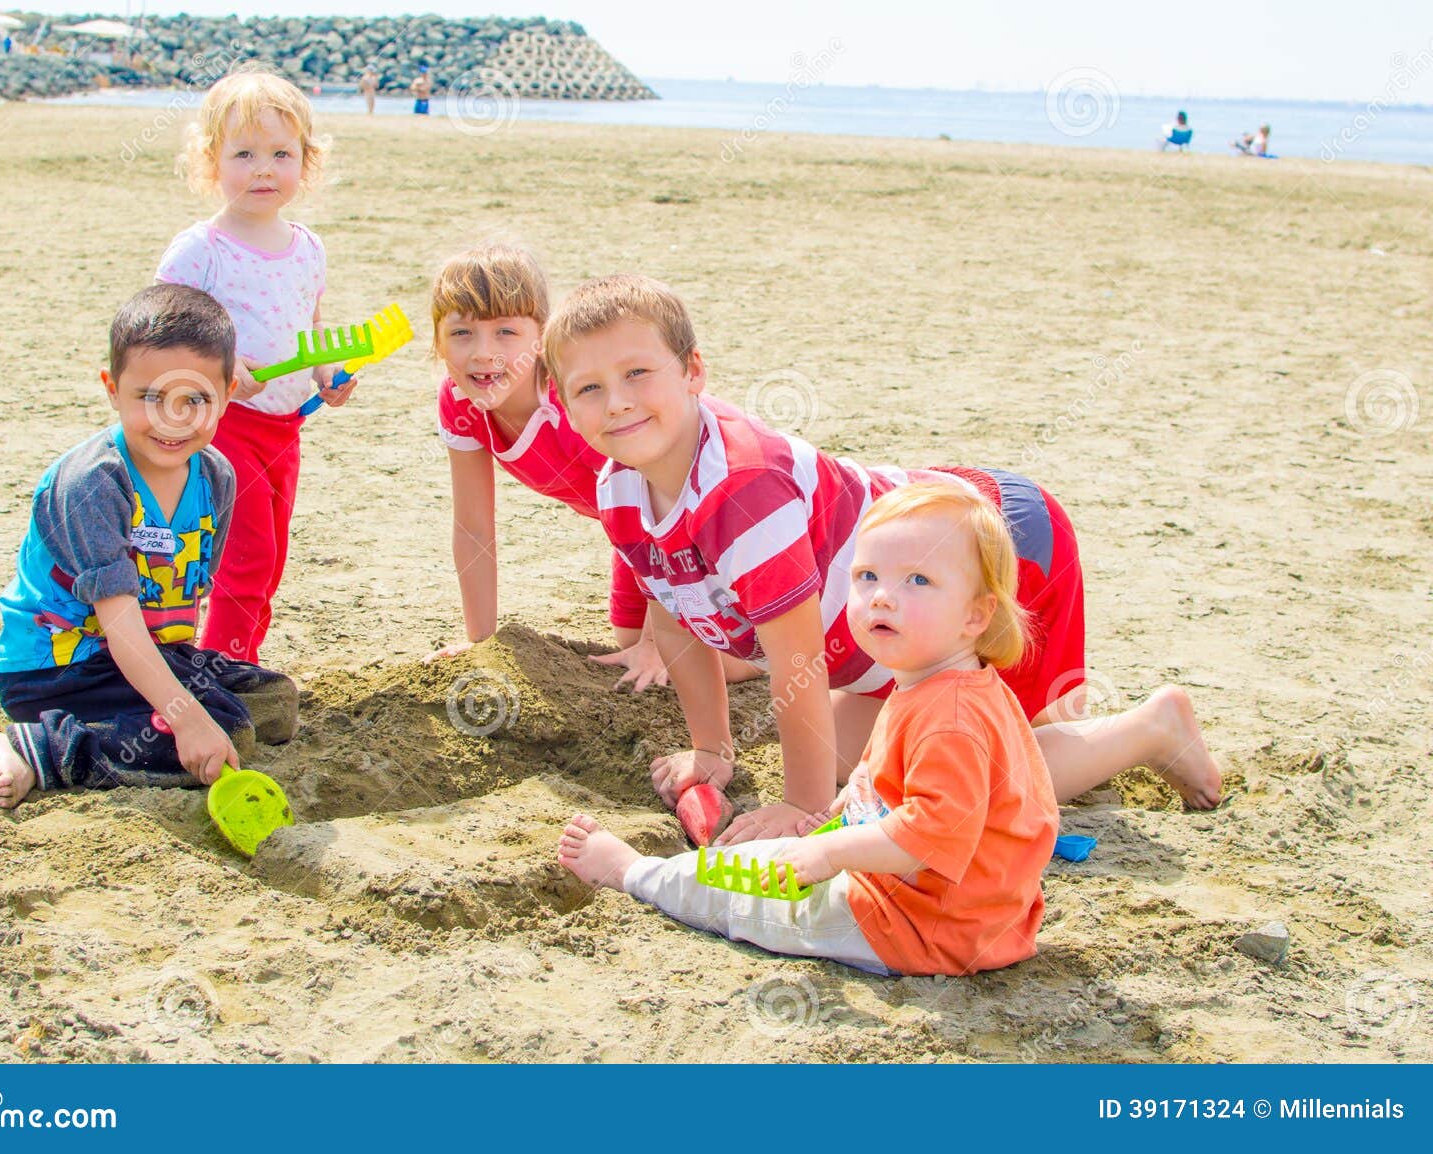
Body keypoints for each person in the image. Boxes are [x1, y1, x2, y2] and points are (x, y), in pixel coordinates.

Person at [542, 274, 1222, 845]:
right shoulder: (618, 488)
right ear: (564, 404)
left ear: (693, 372)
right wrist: (712, 752)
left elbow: (796, 658)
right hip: (893, 615)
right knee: (861, 765)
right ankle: (1054, 727)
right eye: (590, 388)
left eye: (637, 373)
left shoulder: (745, 493)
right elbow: (674, 619)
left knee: (968, 785)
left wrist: (802, 811)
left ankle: (1153, 727)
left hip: (995, 547)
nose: (619, 401)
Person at [558, 480, 1059, 976]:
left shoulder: (951, 720)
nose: (882, 597)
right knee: (767, 861)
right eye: (867, 576)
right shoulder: (944, 684)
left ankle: (632, 873)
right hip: (969, 915)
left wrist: (829, 850)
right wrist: (857, 796)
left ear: (976, 614)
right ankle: (677, 871)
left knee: (741, 898)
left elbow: (932, 838)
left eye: (918, 580)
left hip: (916, 924)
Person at [0, 284, 298, 810]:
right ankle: (40, 745)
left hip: (146, 652)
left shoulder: (215, 475)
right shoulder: (94, 484)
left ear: (229, 391)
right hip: (64, 668)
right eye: (150, 397)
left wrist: (188, 690)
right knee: (222, 734)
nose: (173, 420)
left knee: (273, 701)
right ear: (112, 388)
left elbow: (187, 596)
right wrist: (188, 716)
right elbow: (119, 625)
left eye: (194, 400)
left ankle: (140, 716)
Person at [425, 243, 759, 690]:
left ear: (542, 337)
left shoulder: (580, 399)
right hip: (636, 534)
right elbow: (473, 528)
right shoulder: (460, 403)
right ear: (436, 340)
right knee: (628, 640)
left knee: (694, 659)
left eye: (506, 331)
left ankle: (772, 649)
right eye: (462, 333)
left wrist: (659, 644)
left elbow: (663, 503)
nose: (484, 353)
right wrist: (482, 642)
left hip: (714, 517)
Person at [156, 63, 356, 665]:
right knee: (246, 556)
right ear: (210, 161)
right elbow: (158, 336)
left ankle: (238, 662)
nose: (264, 169)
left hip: (285, 427)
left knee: (269, 561)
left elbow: (309, 328)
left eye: (281, 153)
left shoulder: (308, 248)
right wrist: (218, 365)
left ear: (306, 161)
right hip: (222, 429)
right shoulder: (201, 250)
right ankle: (222, 671)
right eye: (244, 153)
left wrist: (328, 374)